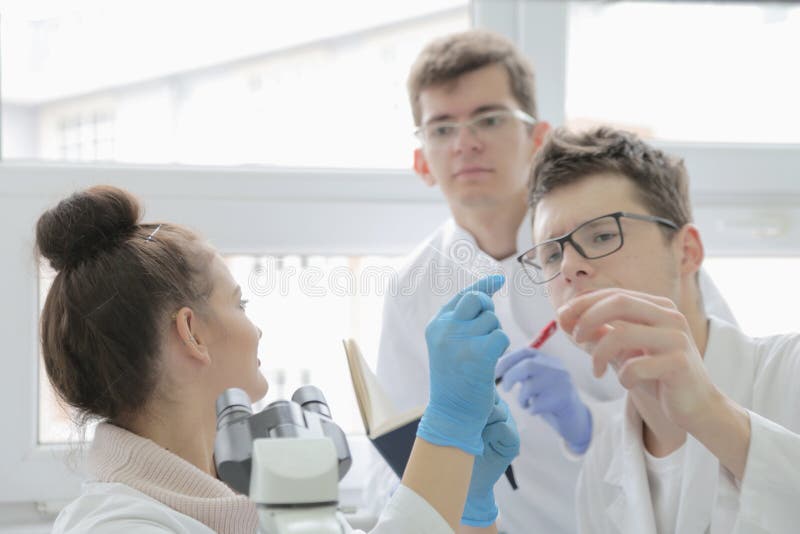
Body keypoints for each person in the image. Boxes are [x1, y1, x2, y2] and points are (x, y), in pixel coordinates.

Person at [373, 30, 734, 532]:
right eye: (441, 129)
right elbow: (397, 462)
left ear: (537, 138)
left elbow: (728, 391)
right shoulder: (411, 290)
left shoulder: (622, 238)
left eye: (490, 118)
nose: (466, 143)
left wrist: (587, 422)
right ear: (421, 162)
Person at [40, 185, 518, 534]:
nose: (257, 329)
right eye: (240, 304)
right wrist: (450, 428)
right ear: (192, 333)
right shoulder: (118, 527)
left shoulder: (259, 496)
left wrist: (469, 510)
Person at [521, 127, 800, 533]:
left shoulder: (790, 373)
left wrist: (710, 414)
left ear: (687, 251)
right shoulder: (601, 468)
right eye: (551, 253)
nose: (568, 267)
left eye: (601, 235)